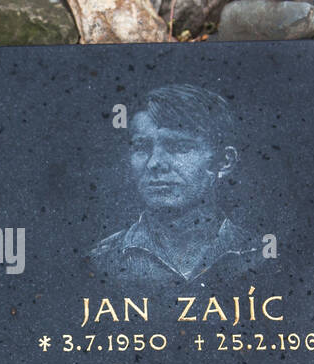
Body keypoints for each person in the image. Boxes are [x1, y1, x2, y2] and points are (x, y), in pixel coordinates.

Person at [89, 83, 255, 283]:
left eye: (179, 147)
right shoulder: (101, 261)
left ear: (224, 161)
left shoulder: (256, 254)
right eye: (141, 147)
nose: (155, 163)